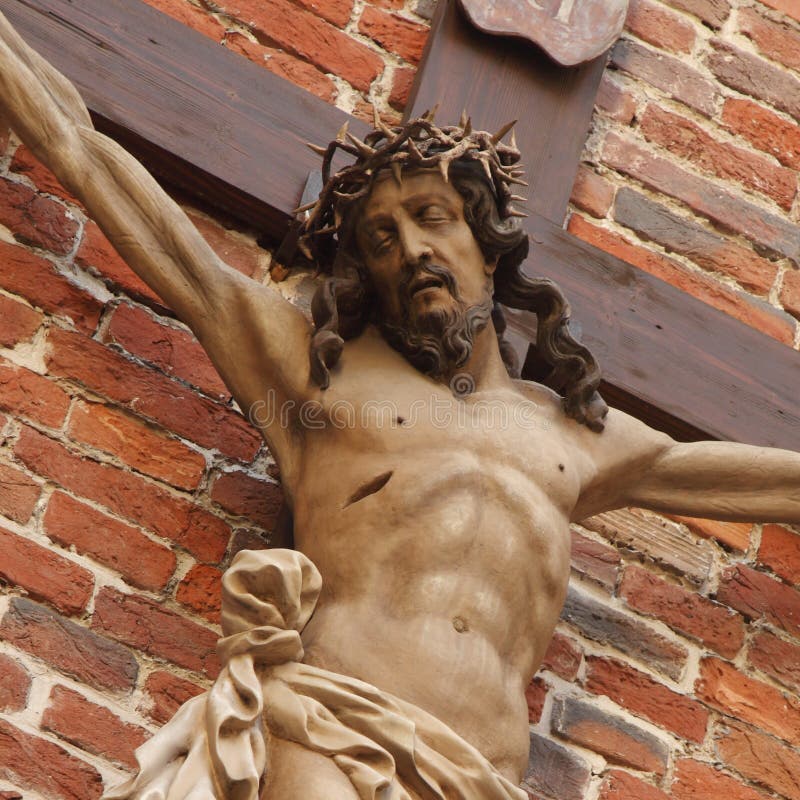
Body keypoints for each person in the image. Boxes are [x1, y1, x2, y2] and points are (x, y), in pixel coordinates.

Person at [1, 11, 799, 799]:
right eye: (381, 239)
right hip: (334, 732)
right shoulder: (321, 382)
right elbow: (98, 168)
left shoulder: (576, 438)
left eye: (431, 218)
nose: (411, 247)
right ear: (368, 275)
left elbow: (758, 484)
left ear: (487, 243)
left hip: (481, 776)